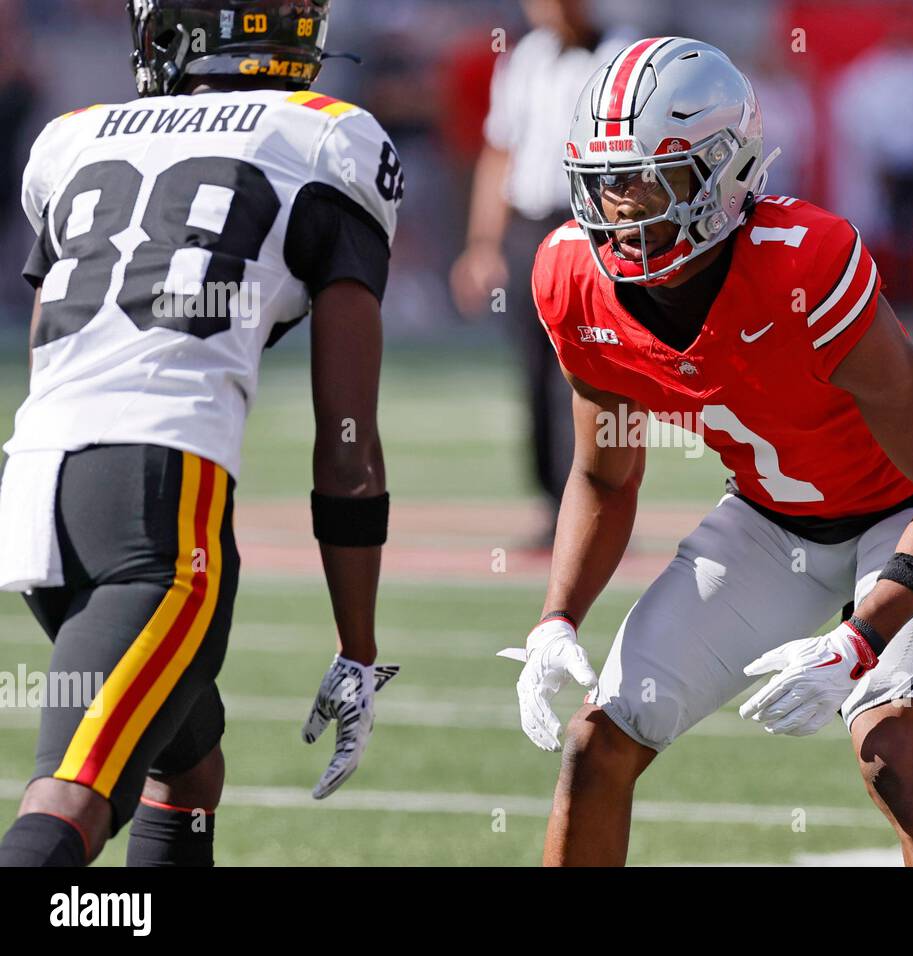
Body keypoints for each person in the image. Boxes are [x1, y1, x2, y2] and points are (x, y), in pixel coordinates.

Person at [505, 38, 913, 866]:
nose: (622, 207)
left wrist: (864, 636)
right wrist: (558, 617)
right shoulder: (569, 277)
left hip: (903, 515)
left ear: (721, 173)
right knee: (598, 745)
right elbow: (603, 470)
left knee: (894, 762)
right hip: (774, 522)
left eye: (649, 179)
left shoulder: (803, 263)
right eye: (608, 180)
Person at [0, 0, 402, 867]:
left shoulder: (77, 135)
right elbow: (347, 446)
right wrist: (358, 650)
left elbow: (47, 342)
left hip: (36, 489)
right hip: (155, 503)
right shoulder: (326, 135)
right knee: (70, 801)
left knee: (186, 767)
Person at [450, 0, 628, 543]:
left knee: (589, 372)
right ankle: (554, 503)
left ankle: (601, 498)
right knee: (532, 366)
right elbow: (500, 151)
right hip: (531, 225)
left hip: (594, 225)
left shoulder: (623, 51)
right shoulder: (524, 55)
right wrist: (482, 242)